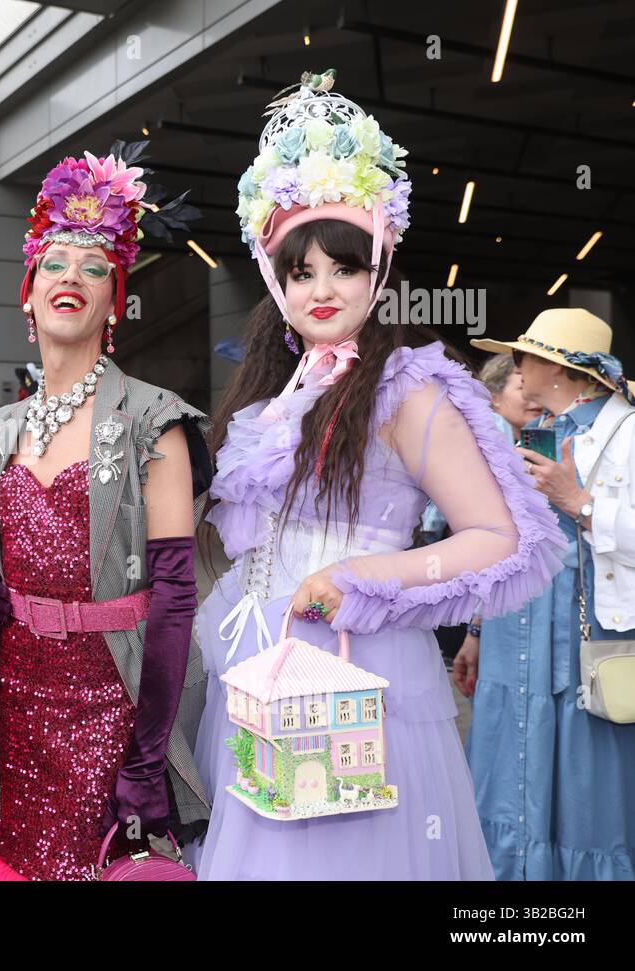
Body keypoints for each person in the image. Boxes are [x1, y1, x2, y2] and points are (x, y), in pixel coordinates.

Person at [190, 70, 566, 879]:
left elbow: (506, 536)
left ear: (378, 269)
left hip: (367, 674)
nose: (321, 290)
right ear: (274, 281)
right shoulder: (277, 393)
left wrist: (362, 573)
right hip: (268, 669)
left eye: (343, 267)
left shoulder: (410, 390)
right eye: (300, 272)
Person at [0, 141, 213, 880]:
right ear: (26, 293)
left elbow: (176, 598)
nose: (72, 277)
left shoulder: (156, 420)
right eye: (54, 263)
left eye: (96, 268)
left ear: (115, 302)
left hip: (115, 703)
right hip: (22, 693)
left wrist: (147, 758)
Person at [463, 309, 635, 879]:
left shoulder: (627, 433)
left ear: (553, 368)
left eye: (522, 357)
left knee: (588, 785)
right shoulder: (544, 432)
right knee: (511, 770)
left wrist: (581, 503)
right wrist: (479, 628)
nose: (514, 369)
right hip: (518, 632)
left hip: (587, 639)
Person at [452, 353, 543, 691]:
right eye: (523, 387)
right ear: (494, 396)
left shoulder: (531, 446)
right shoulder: (492, 445)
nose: (536, 398)